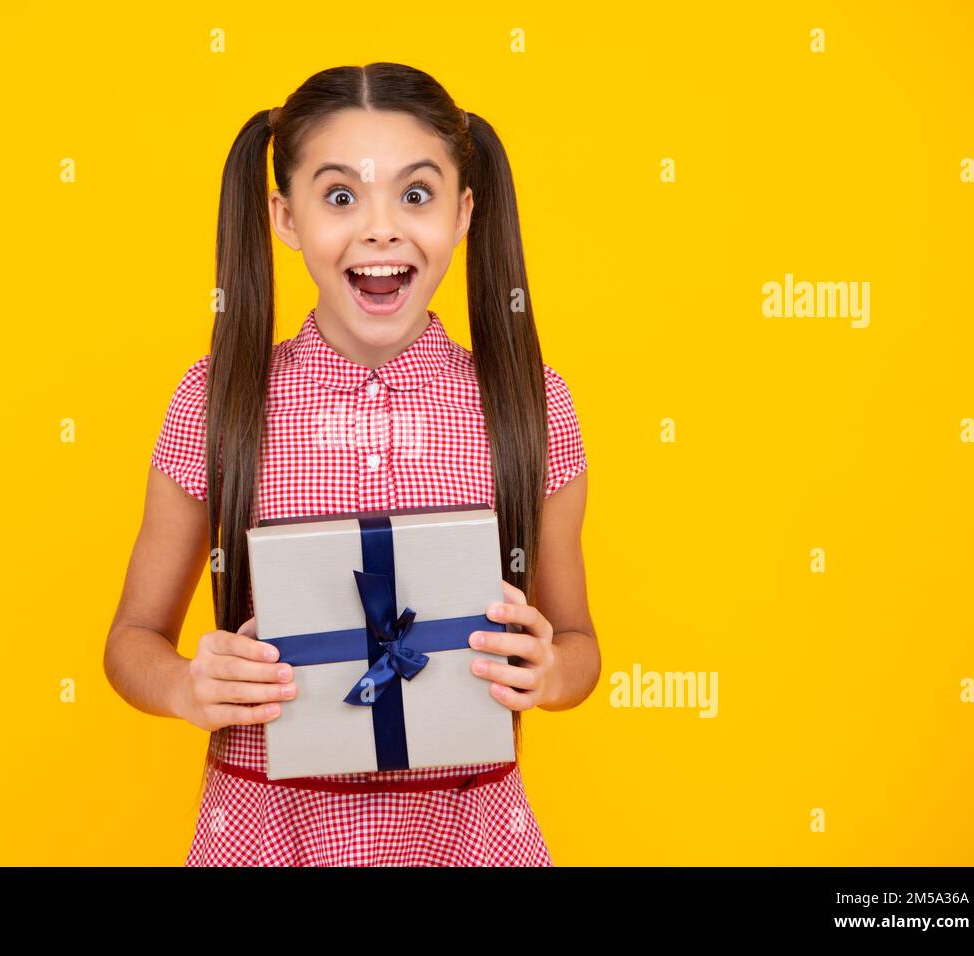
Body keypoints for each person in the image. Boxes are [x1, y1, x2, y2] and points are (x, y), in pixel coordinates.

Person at [103, 62, 601, 866]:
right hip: (266, 827)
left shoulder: (530, 405)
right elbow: (131, 640)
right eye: (340, 197)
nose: (379, 230)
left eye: (415, 195)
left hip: (469, 829)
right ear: (285, 216)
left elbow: (579, 644)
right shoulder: (215, 401)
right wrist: (185, 685)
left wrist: (549, 670)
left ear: (465, 212)